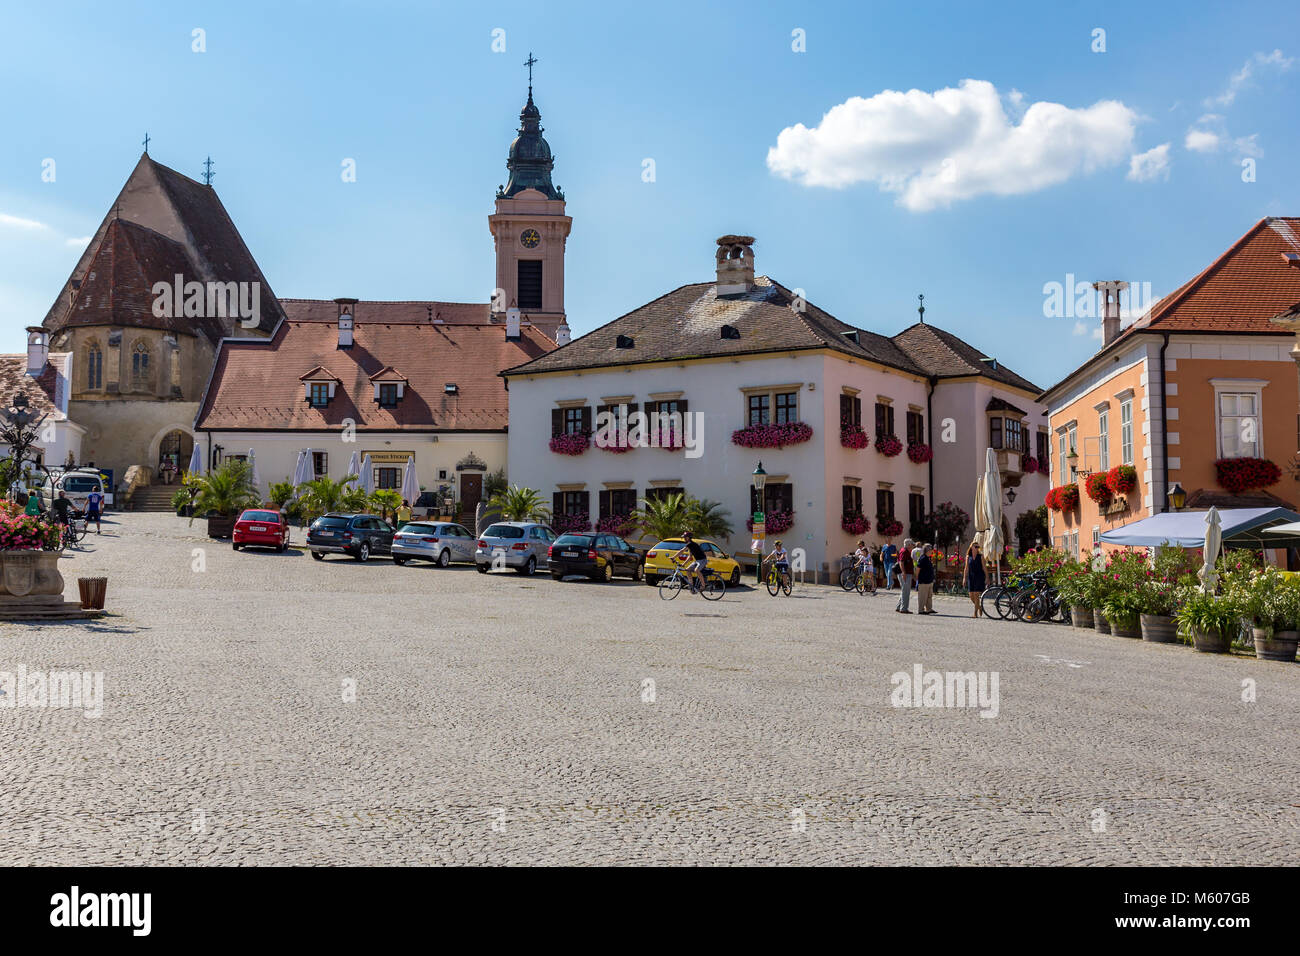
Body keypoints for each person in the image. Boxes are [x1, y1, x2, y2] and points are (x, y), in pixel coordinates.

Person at [963, 541, 987, 617]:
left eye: (978, 547)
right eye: (975, 547)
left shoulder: (981, 556)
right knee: (971, 596)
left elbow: (984, 567)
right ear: (971, 547)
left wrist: (987, 577)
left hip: (979, 576)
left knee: (976, 595)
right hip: (971, 577)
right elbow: (966, 568)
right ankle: (979, 607)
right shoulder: (968, 557)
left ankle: (975, 613)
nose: (977, 548)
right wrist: (964, 578)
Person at [896, 538, 915, 613]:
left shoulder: (906, 551)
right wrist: (903, 572)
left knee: (904, 590)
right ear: (909, 545)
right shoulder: (904, 551)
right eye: (912, 545)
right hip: (905, 574)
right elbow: (901, 562)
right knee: (906, 591)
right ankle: (904, 609)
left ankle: (899, 607)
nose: (913, 546)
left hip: (906, 573)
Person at [916, 543, 936, 614]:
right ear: (927, 550)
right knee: (922, 597)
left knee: (929, 596)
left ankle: (929, 609)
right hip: (924, 581)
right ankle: (921, 610)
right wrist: (917, 578)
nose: (932, 551)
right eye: (930, 550)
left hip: (929, 581)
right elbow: (918, 569)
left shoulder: (928, 558)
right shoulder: (923, 558)